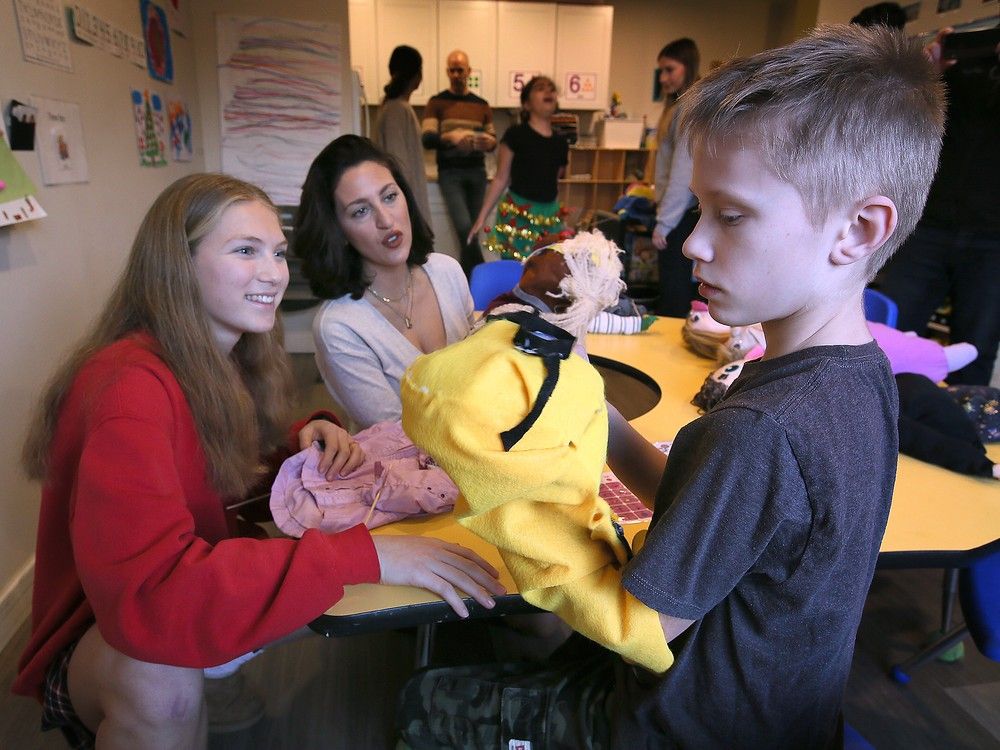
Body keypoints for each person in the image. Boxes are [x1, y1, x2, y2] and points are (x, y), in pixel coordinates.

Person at [398, 24, 945, 748]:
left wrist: (511, 488)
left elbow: (641, 623)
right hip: (787, 715)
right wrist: (590, 399)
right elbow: (712, 510)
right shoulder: (862, 377)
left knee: (423, 701)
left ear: (857, 230)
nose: (692, 242)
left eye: (731, 214)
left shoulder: (760, 430)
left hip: (685, 725)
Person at [11, 173, 503, 749]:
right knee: (160, 685)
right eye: (245, 251)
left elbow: (207, 461)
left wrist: (299, 440)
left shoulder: (210, 357)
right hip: (100, 625)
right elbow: (152, 597)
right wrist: (368, 555)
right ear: (177, 265)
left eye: (277, 253)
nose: (273, 273)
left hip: (152, 592)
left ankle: (208, 690)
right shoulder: (128, 390)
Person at [295, 135, 474, 430]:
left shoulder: (448, 271)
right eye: (360, 211)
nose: (386, 220)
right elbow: (398, 438)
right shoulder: (339, 326)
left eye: (389, 196)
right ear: (337, 230)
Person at [875, 28, 1000, 385]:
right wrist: (923, 74)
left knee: (975, 349)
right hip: (927, 222)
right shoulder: (957, 64)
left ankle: (956, 430)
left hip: (994, 240)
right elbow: (897, 125)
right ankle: (866, 419)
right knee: (883, 334)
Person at [469, 76, 569, 261]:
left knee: (546, 269)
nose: (548, 91)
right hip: (518, 214)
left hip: (549, 215)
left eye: (551, 88)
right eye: (540, 88)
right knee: (517, 272)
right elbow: (501, 179)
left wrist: (558, 218)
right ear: (527, 104)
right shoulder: (515, 135)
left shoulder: (561, 142)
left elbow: (554, 181)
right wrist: (481, 217)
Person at [422, 49, 497, 277]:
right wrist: (450, 137)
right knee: (466, 227)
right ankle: (485, 274)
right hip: (450, 173)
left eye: (460, 69)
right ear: (447, 72)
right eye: (452, 69)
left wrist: (487, 141)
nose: (456, 73)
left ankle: (467, 284)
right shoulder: (436, 102)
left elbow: (493, 141)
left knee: (472, 232)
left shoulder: (482, 105)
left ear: (468, 71)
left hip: (477, 172)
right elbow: (427, 138)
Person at [651, 37, 702, 318]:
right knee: (675, 289)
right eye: (661, 71)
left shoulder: (687, 108)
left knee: (673, 295)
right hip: (678, 214)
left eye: (670, 69)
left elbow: (683, 171)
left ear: (688, 67)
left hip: (680, 216)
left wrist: (664, 222)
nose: (663, 77)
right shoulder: (675, 108)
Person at [372, 45, 432, 224]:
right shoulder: (397, 109)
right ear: (417, 76)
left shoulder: (393, 106)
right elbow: (399, 165)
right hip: (405, 204)